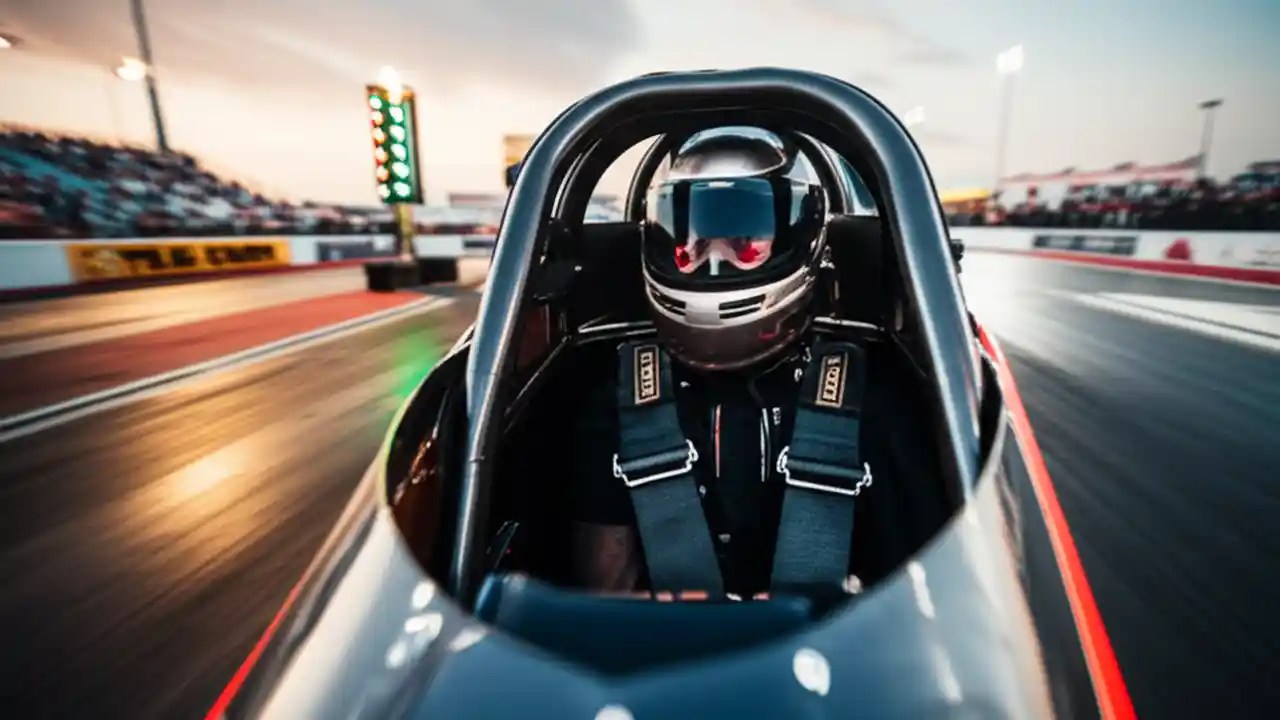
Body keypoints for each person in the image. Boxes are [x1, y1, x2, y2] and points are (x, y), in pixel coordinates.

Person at [567, 128, 942, 600]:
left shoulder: (874, 402)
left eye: (743, 237)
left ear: (802, 234)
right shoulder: (616, 404)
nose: (714, 260)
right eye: (691, 238)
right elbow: (602, 613)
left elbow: (925, 604)